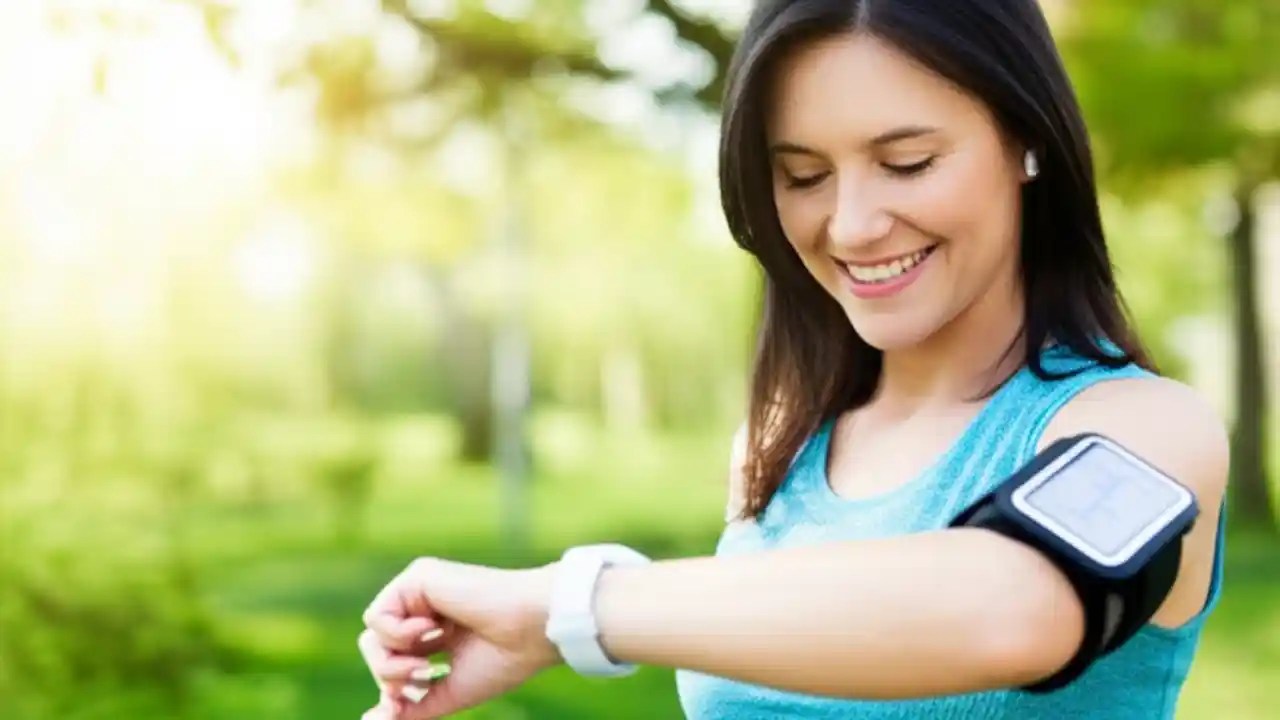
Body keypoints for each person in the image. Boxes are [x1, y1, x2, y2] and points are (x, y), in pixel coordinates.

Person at [356, 0, 1229, 718]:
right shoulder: (779, 447)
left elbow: (1017, 606)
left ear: (1027, 142)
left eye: (907, 162)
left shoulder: (1148, 429)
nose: (849, 225)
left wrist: (573, 607)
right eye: (804, 176)